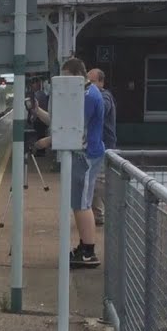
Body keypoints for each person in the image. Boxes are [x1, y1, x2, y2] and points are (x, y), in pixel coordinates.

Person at [31, 57, 104, 268]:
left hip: (86, 155)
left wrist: (47, 141)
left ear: (77, 75)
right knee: (80, 203)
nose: (63, 82)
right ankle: (84, 247)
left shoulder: (88, 97)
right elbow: (62, 122)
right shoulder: (84, 94)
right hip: (84, 154)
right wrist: (37, 111)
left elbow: (74, 130)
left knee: (82, 204)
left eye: (66, 77)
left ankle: (88, 252)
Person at [87, 68, 116, 226]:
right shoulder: (91, 96)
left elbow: (102, 109)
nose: (89, 85)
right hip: (95, 146)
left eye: (92, 82)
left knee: (100, 183)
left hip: (106, 147)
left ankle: (117, 212)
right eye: (88, 82)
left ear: (101, 82)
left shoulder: (105, 96)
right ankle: (97, 215)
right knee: (93, 182)